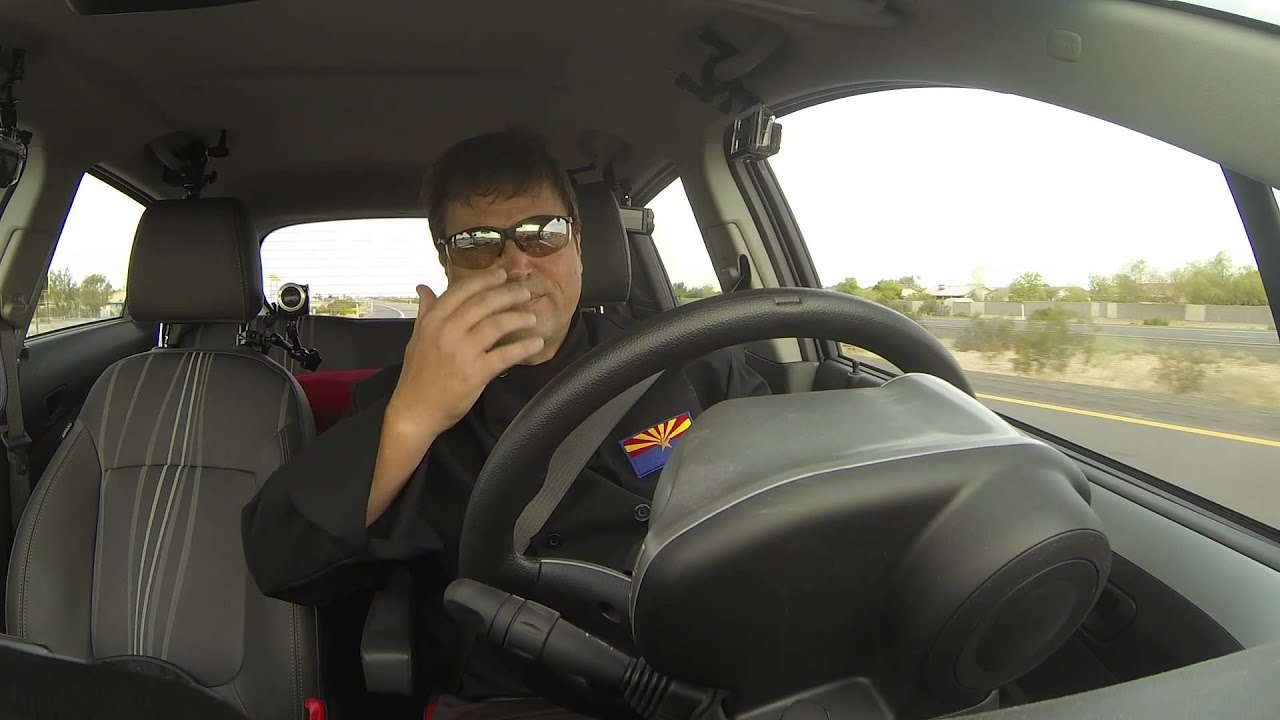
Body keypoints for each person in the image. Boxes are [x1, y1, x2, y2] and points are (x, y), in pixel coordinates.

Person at [241, 129, 771, 718]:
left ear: (578, 245)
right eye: (477, 243)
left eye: (542, 232)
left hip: (706, 675)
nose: (516, 262)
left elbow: (788, 513)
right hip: (514, 696)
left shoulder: (689, 361)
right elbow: (281, 558)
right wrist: (415, 414)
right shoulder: (405, 399)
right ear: (446, 261)